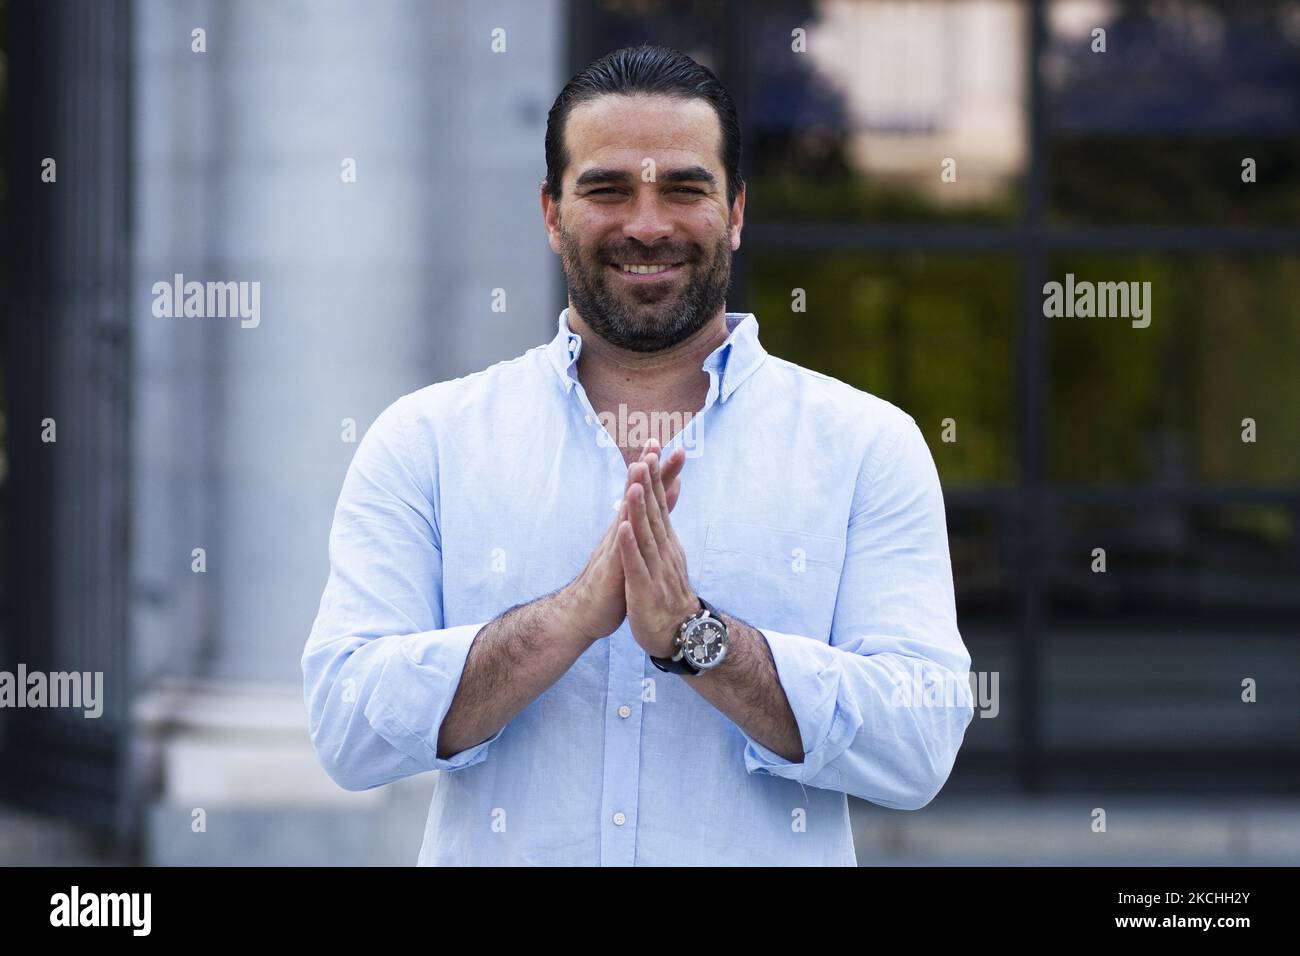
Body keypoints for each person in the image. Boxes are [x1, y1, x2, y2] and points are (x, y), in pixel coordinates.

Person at [302, 44, 974, 866]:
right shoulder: (428, 440)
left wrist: (702, 643)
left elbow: (920, 741)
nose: (647, 224)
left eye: (685, 188)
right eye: (608, 188)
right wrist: (569, 621)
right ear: (552, 215)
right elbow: (344, 726)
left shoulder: (867, 444)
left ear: (734, 212)